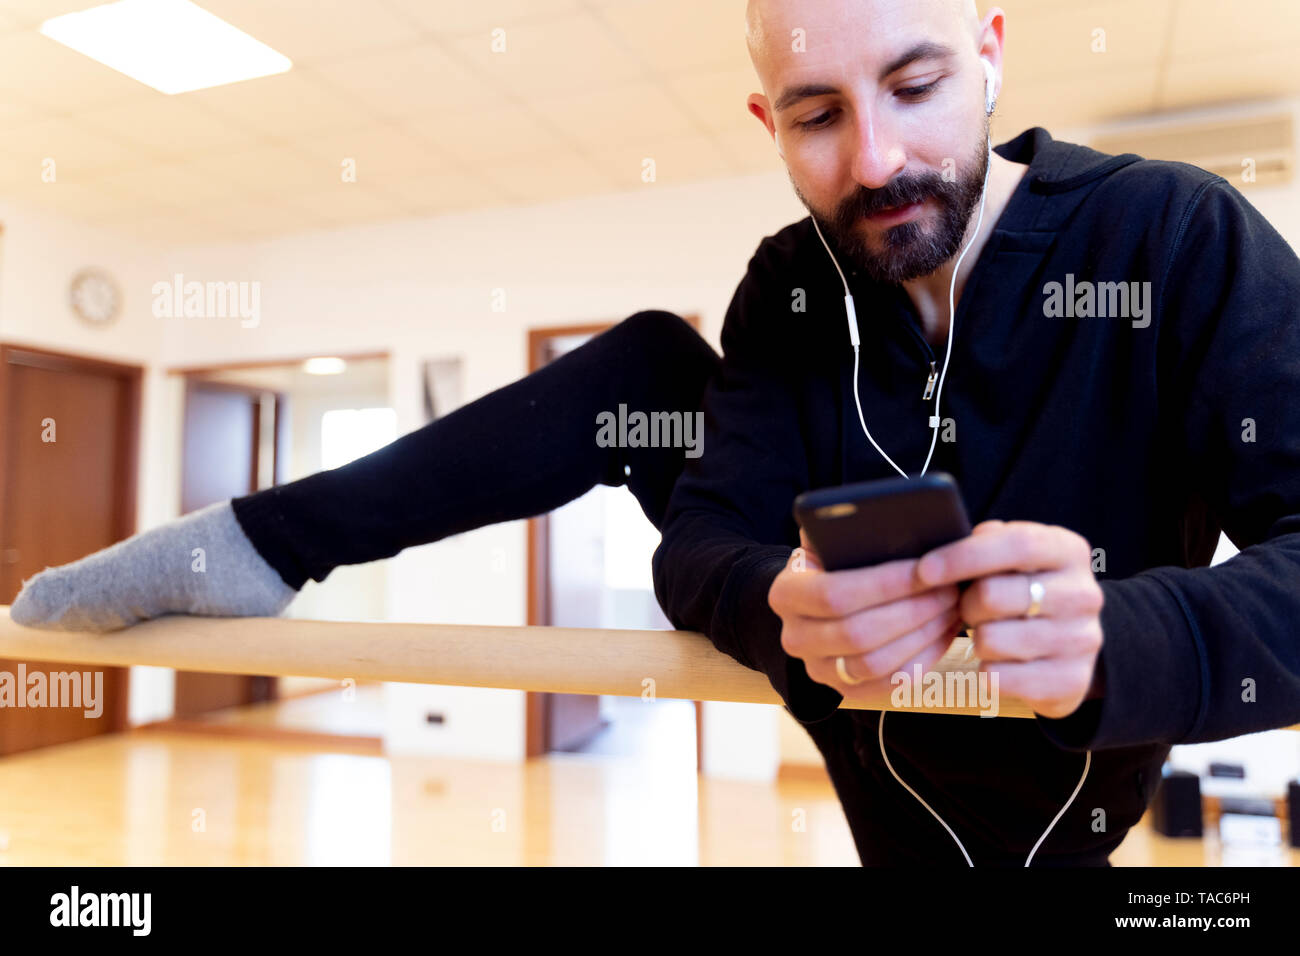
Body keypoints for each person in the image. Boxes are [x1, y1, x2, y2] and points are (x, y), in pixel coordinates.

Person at [13, 0, 1300, 866]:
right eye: (815, 116)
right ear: (766, 122)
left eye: (915, 85)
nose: (876, 159)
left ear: (992, 50)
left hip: (1056, 784)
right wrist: (774, 599)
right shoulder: (787, 284)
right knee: (640, 362)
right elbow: (702, 541)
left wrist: (1120, 629)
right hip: (854, 717)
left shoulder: (1171, 235)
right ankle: (252, 541)